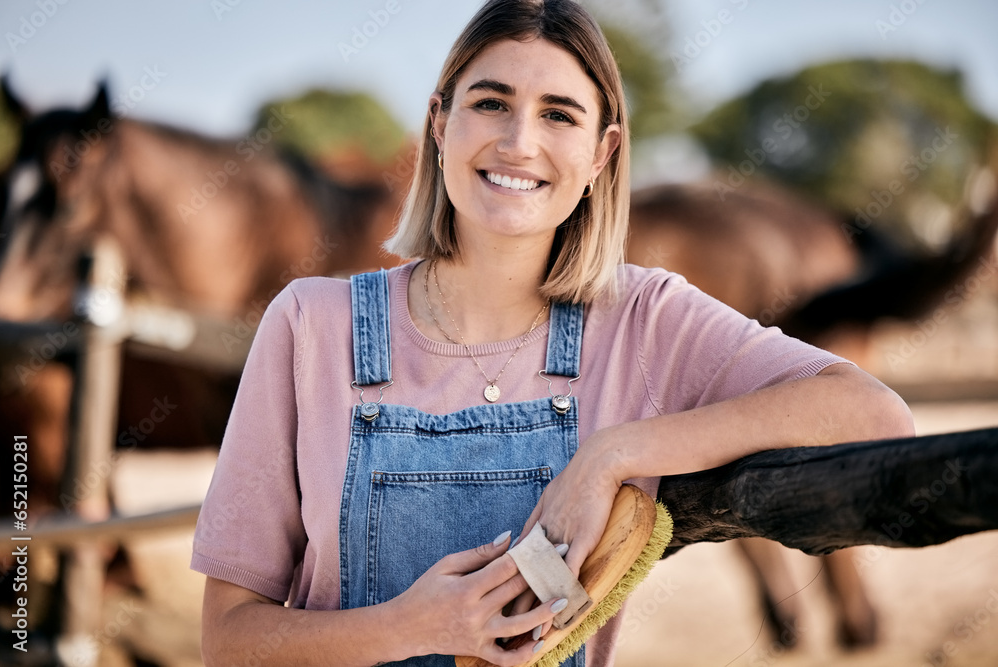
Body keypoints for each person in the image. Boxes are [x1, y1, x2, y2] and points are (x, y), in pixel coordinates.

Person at [191, 1, 914, 665]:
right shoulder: (310, 324)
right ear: (440, 124)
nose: (518, 141)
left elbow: (876, 414)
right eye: (491, 102)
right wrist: (412, 625)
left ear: (601, 155)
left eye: (559, 115)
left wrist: (615, 452)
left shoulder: (643, 318)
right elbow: (228, 638)